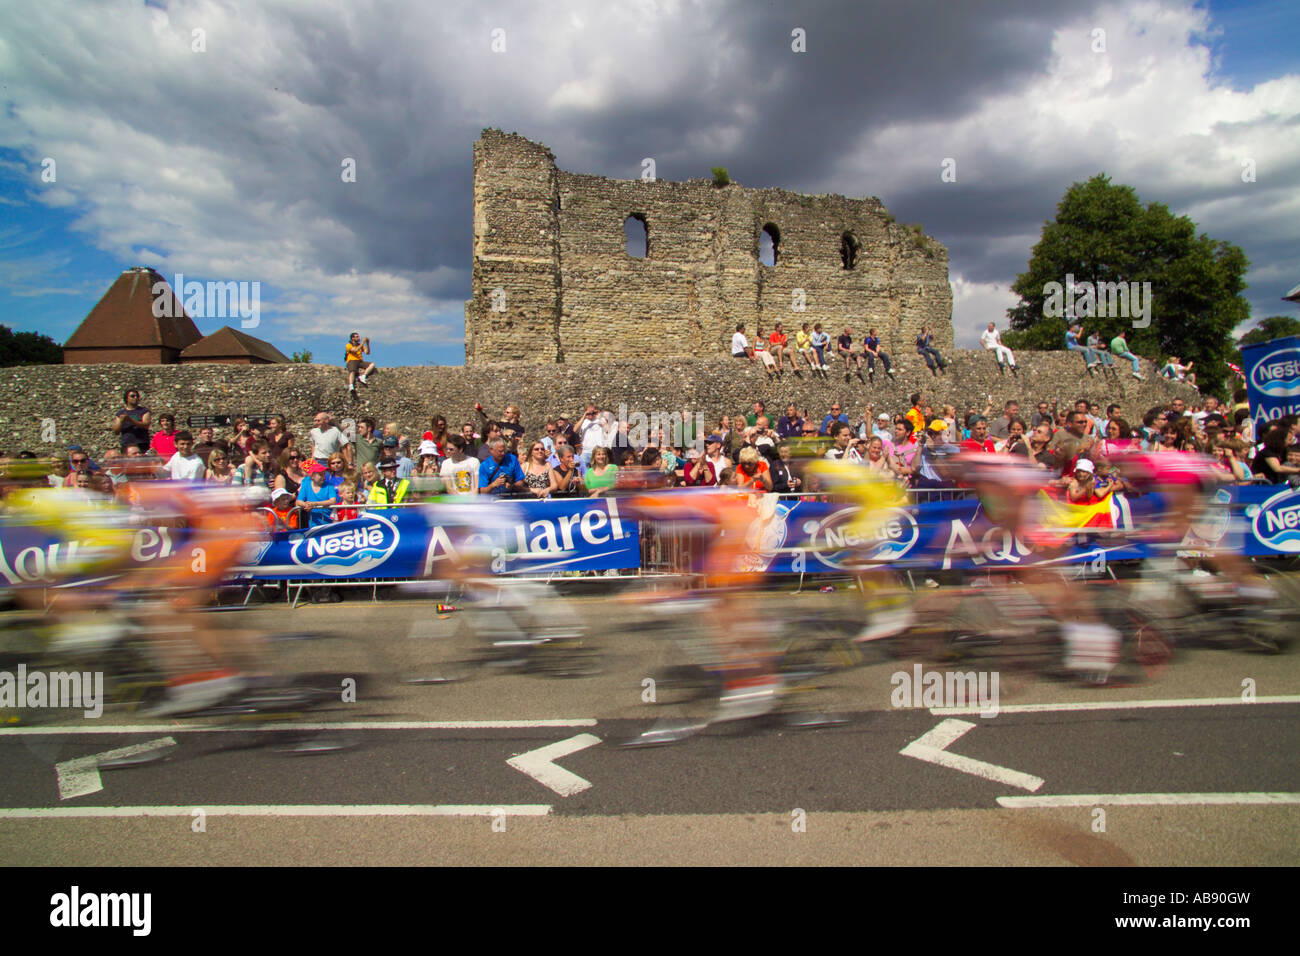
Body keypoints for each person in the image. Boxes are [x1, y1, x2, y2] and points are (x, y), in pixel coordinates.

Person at [296, 461, 339, 527]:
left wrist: (315, 504)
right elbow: (299, 501)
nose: (323, 476)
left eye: (324, 474)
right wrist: (306, 505)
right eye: (320, 474)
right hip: (312, 523)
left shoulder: (329, 486)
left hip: (329, 522)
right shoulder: (306, 485)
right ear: (312, 476)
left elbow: (333, 501)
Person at [345, 332, 377, 396]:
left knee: (372, 365)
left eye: (358, 336)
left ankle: (363, 376)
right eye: (356, 337)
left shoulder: (360, 345)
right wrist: (363, 342)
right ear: (352, 338)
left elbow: (367, 352)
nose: (358, 338)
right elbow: (355, 350)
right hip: (352, 360)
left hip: (360, 361)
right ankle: (351, 386)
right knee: (352, 371)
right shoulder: (348, 345)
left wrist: (367, 343)